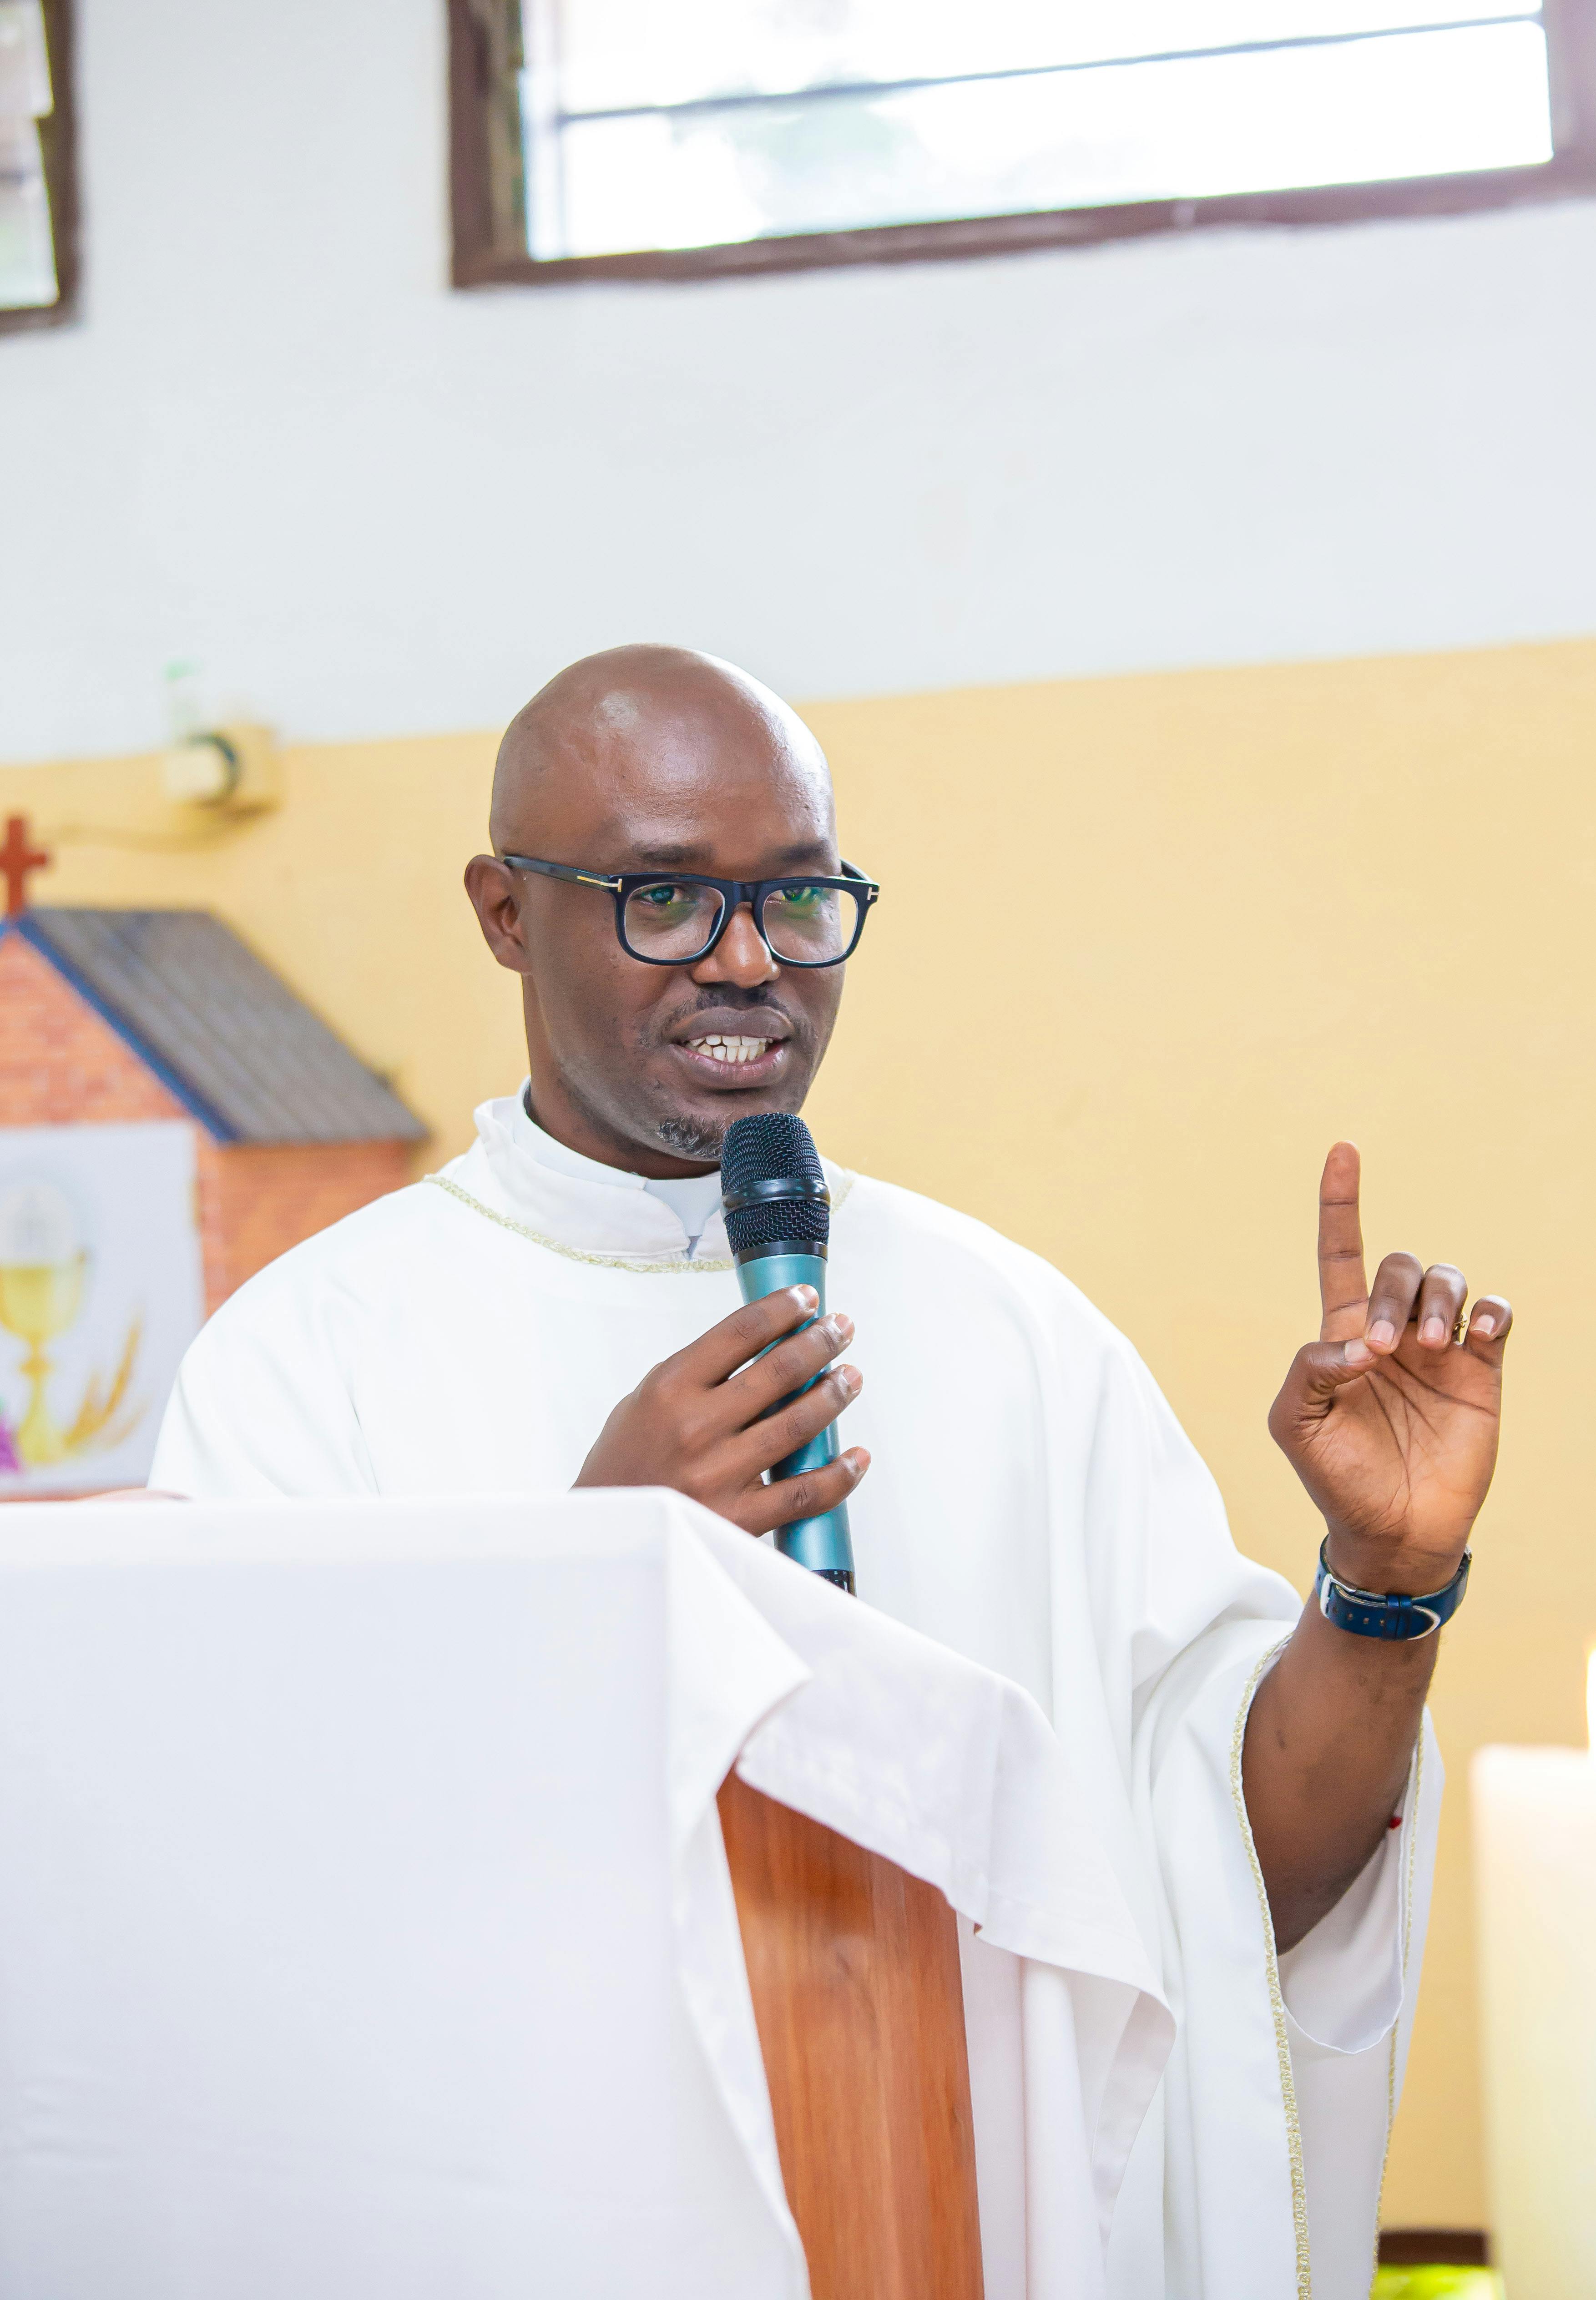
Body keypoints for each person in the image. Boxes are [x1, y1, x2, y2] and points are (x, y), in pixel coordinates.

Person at [152, 646, 1511, 2298]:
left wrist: (1384, 1580)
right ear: (506, 913)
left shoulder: (1016, 1331)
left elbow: (1228, 1903)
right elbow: (251, 1914)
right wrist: (594, 1577)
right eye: (662, 898)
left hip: (967, 2219)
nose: (748, 964)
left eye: (799, 903)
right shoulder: (309, 1365)